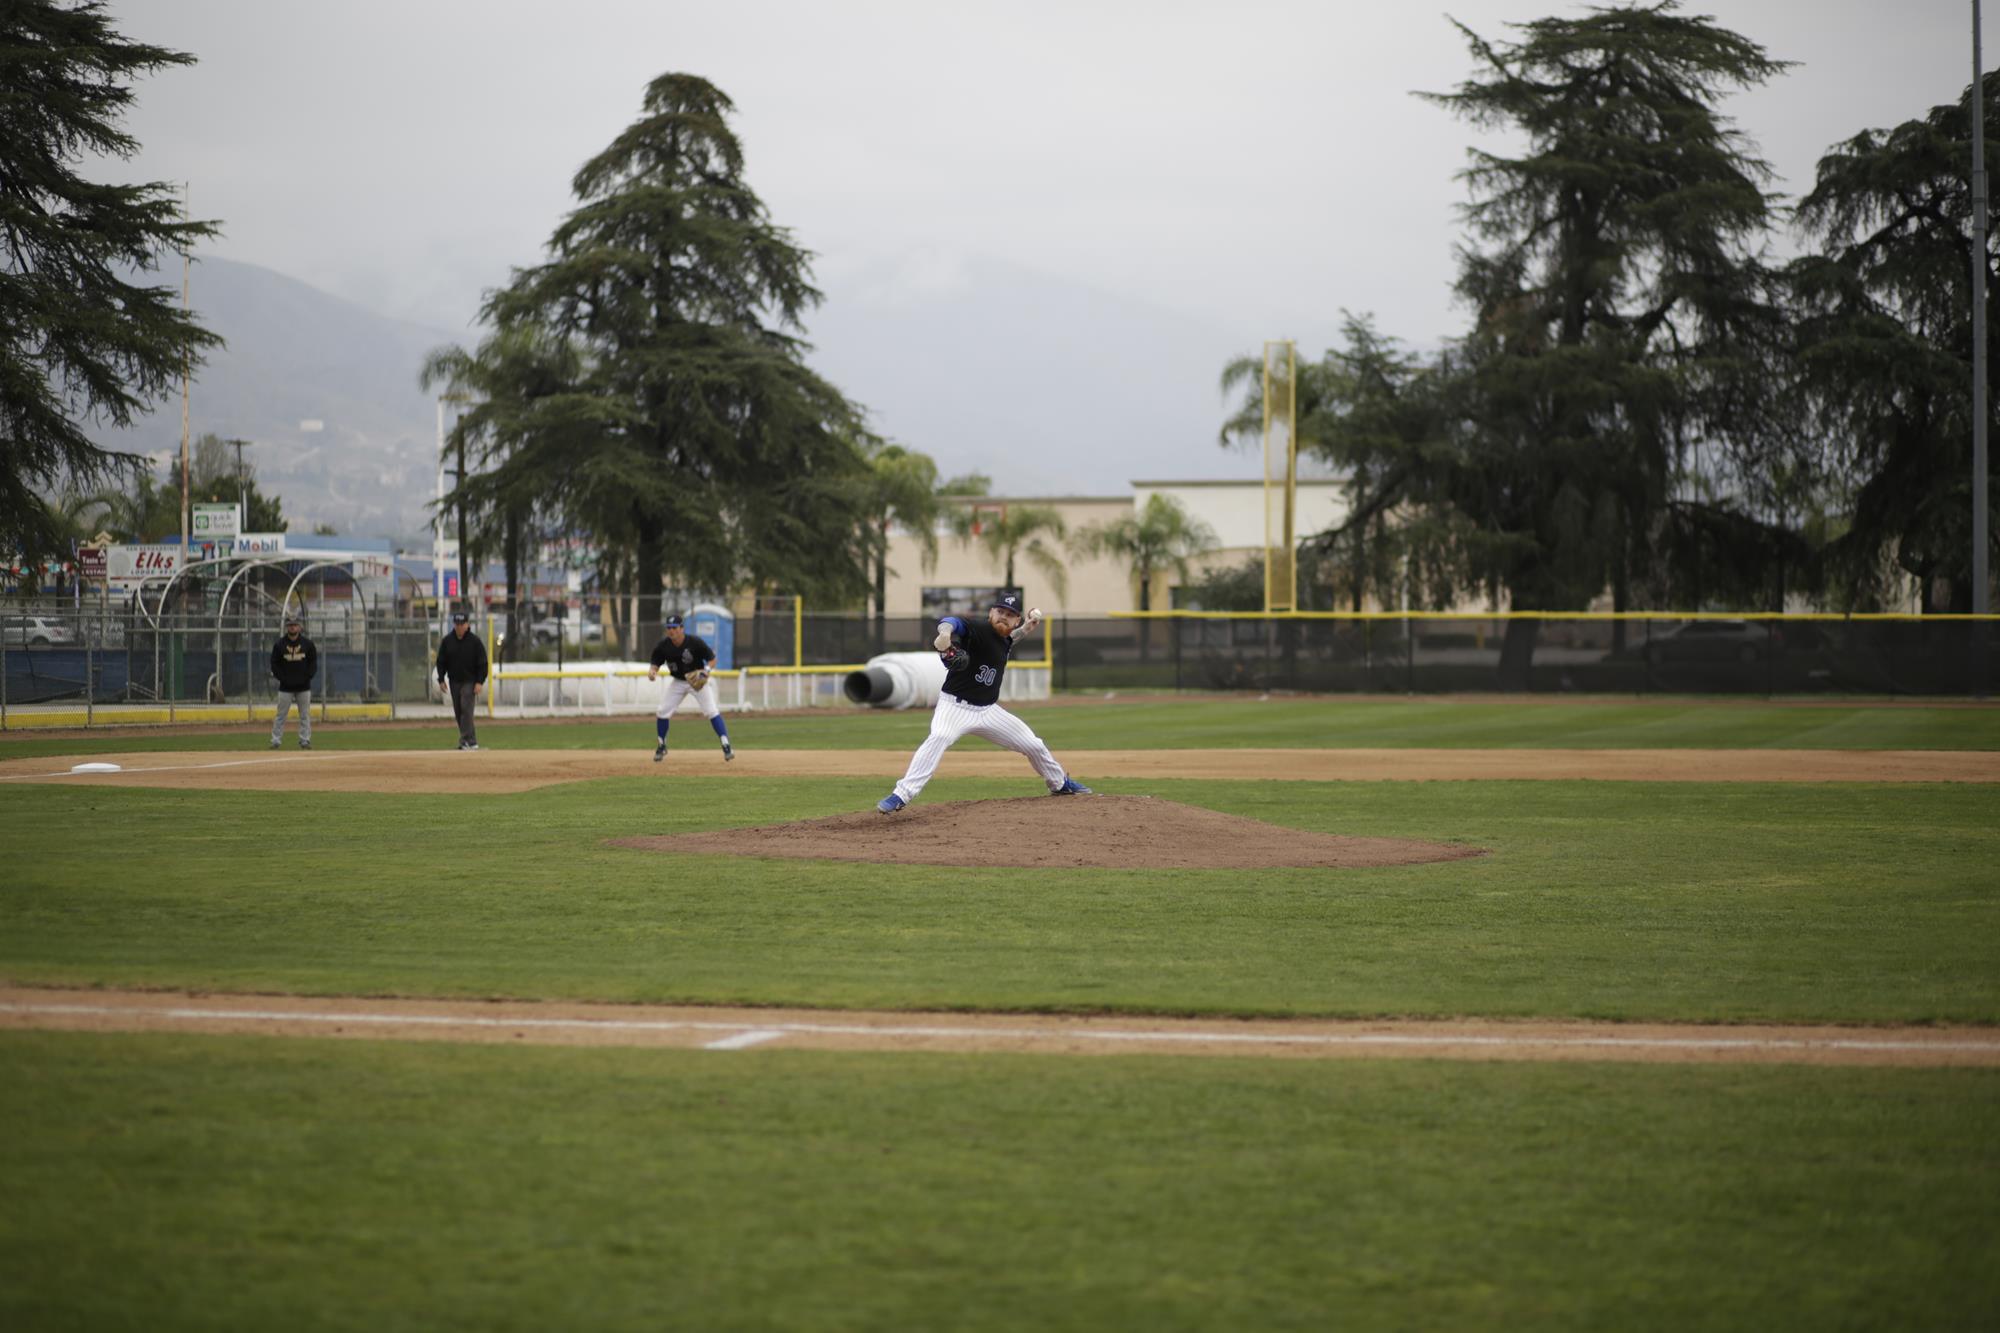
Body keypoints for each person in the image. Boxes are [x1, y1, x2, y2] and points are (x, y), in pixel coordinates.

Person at [877, 591, 1088, 813]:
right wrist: (945, 633)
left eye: (1010, 614)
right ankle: (901, 794)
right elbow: (952, 622)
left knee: (1034, 744)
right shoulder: (978, 629)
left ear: (1016, 619)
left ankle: (1059, 784)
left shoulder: (1004, 638)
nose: (1003, 617)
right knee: (939, 737)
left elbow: (1009, 639)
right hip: (955, 707)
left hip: (988, 711)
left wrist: (1024, 629)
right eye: (1000, 611)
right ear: (990, 613)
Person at [647, 614, 733, 762]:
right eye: (669, 628)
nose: (671, 631)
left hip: (696, 681)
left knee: (711, 711)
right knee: (662, 712)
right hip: (679, 682)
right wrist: (652, 671)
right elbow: (656, 662)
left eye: (674, 628)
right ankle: (662, 746)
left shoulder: (694, 642)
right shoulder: (663, 646)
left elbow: (712, 659)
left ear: (682, 628)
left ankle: (726, 745)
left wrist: (706, 670)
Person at [435, 611, 488, 751]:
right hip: (454, 681)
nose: (459, 627)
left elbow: (483, 663)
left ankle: (465, 740)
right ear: (454, 625)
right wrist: (441, 679)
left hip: (470, 681)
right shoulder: (447, 641)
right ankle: (471, 741)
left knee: (466, 707)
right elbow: (441, 662)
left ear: (467, 624)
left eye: (462, 624)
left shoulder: (475, 642)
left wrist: (479, 681)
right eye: (457, 624)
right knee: (459, 711)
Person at [269, 611, 318, 750]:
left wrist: (307, 677)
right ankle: (275, 741)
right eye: (290, 625)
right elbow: (274, 664)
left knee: (305, 715)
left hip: (303, 687)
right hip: (285, 687)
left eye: (295, 625)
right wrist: (283, 678)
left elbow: (313, 663)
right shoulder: (279, 645)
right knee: (280, 715)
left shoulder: (308, 644)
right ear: (286, 627)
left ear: (300, 627)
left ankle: (305, 740)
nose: (292, 627)